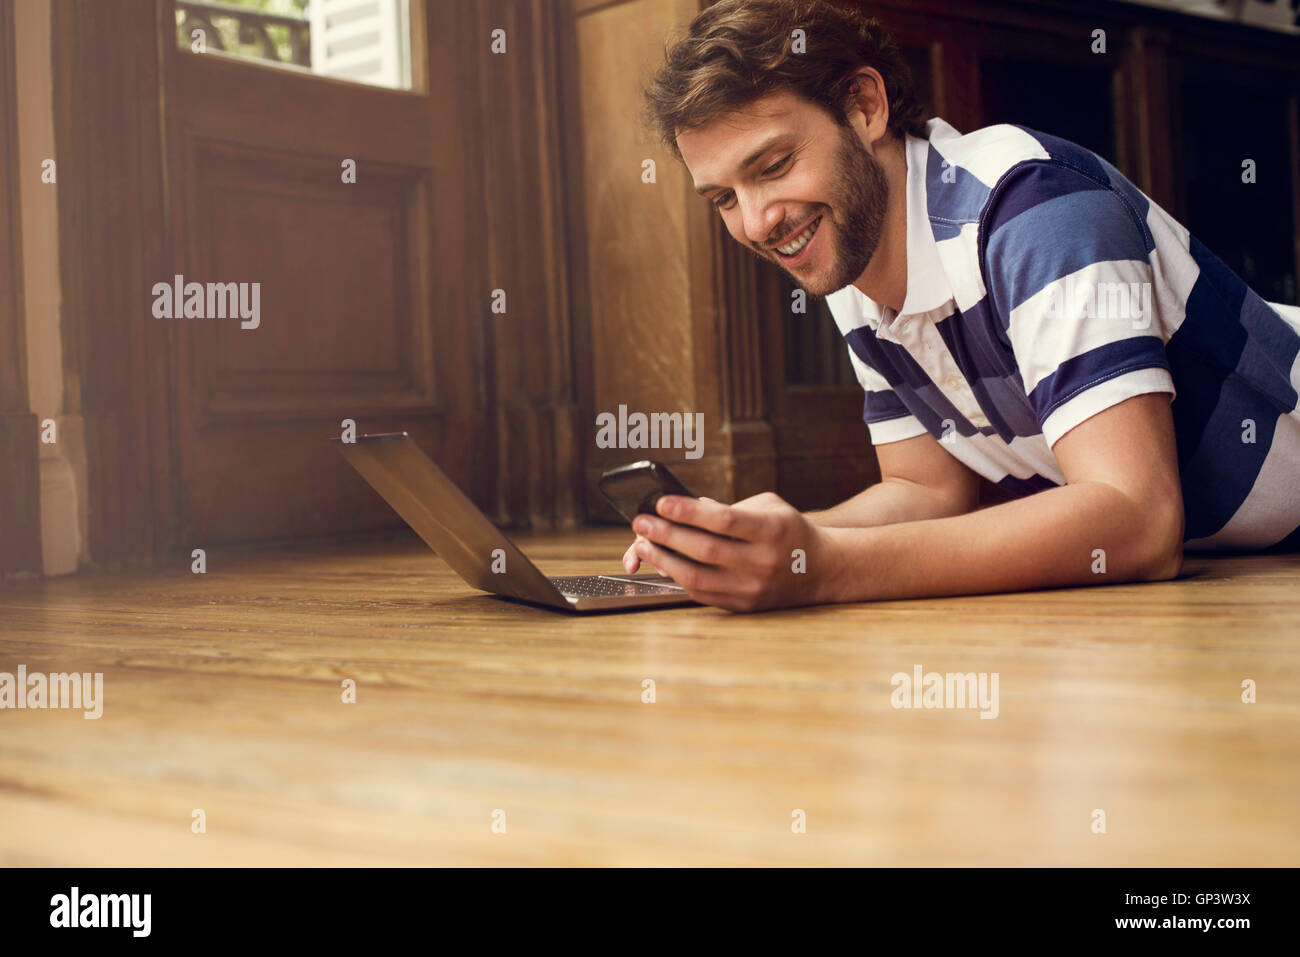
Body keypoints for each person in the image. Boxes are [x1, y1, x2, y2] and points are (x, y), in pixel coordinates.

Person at [620, 0, 1300, 611]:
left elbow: (1139, 520)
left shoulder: (1033, 208)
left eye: (772, 166)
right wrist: (750, 543)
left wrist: (828, 569)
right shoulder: (849, 253)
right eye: (724, 199)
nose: (759, 220)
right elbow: (929, 492)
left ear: (864, 107)